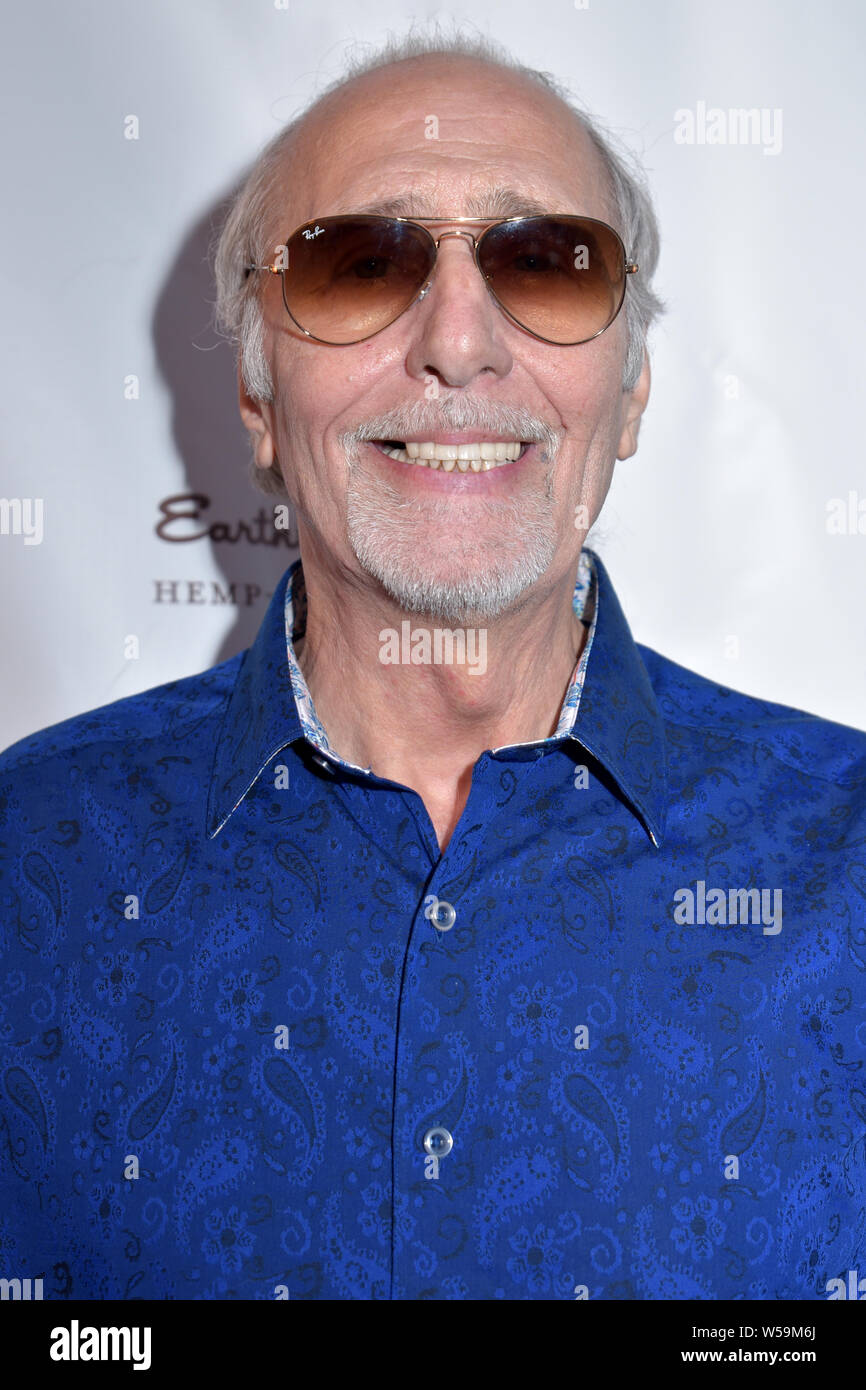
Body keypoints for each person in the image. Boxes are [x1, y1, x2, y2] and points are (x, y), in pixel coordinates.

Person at [1, 31, 864, 1302]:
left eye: (545, 262)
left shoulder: (843, 863)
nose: (457, 341)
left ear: (627, 396)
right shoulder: (29, 861)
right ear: (255, 403)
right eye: (362, 264)